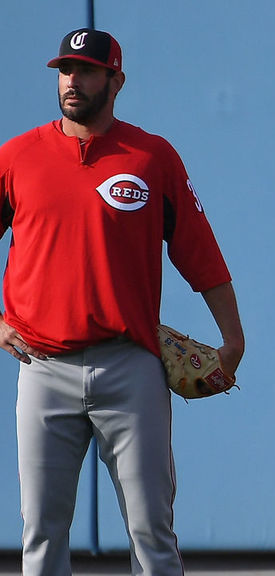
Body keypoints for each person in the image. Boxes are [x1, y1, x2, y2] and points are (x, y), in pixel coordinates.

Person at [0, 29, 245, 575]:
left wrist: (233, 337)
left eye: (86, 70)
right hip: (43, 367)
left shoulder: (150, 157)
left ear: (116, 80)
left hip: (131, 364)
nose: (72, 81)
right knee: (41, 532)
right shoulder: (17, 157)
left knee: (151, 531)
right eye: (65, 70)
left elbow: (199, 252)